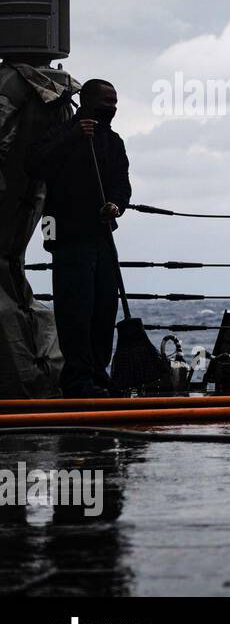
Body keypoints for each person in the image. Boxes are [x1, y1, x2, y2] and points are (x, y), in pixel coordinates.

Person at [27, 79, 131, 397]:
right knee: (75, 310)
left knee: (103, 308)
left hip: (102, 235)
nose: (110, 109)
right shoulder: (63, 134)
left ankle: (98, 372)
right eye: (104, 102)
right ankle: (77, 380)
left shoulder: (113, 142)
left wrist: (116, 204)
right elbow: (36, 165)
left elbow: (122, 183)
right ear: (85, 102)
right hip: (67, 235)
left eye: (114, 103)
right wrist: (73, 136)